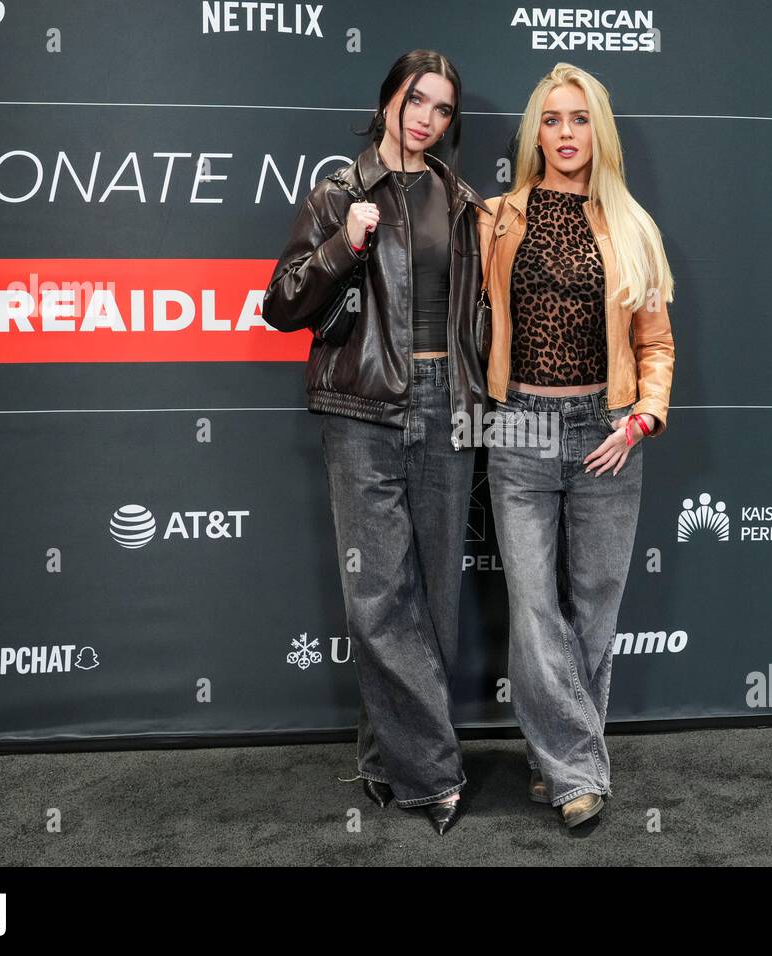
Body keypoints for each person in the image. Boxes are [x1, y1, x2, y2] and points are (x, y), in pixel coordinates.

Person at [263, 50, 489, 835]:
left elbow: (476, 322)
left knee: (435, 600)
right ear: (387, 99)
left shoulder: (462, 201)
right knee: (378, 598)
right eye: (414, 99)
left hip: (446, 402)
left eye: (442, 109)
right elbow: (281, 305)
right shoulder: (340, 193)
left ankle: (382, 757)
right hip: (361, 406)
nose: (425, 117)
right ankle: (434, 775)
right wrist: (343, 246)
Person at [478, 62, 676, 829]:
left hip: (606, 431)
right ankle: (578, 772)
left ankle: (556, 761)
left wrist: (641, 420)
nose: (566, 134)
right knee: (533, 608)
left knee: (593, 609)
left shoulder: (632, 226)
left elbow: (655, 343)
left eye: (580, 118)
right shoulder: (497, 218)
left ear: (601, 129)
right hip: (520, 426)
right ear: (536, 132)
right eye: (553, 120)